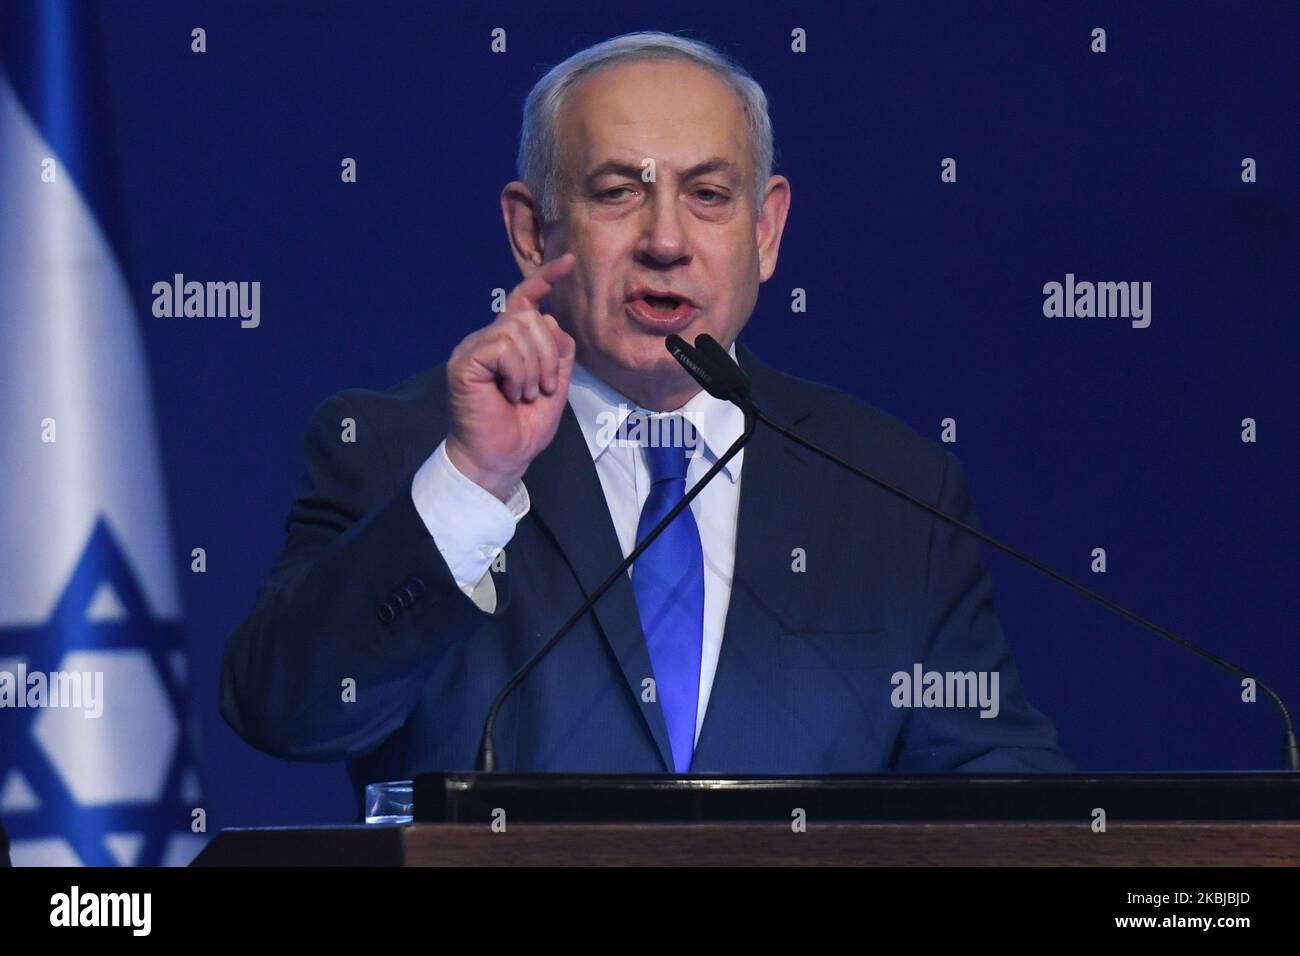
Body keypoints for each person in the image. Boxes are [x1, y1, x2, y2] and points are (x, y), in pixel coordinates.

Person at [220, 31, 1073, 801]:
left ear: (767, 231)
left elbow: (999, 786)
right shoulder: (399, 449)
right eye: (619, 192)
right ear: (532, 232)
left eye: (708, 195)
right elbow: (287, 715)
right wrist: (475, 480)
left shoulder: (893, 488)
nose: (666, 239)